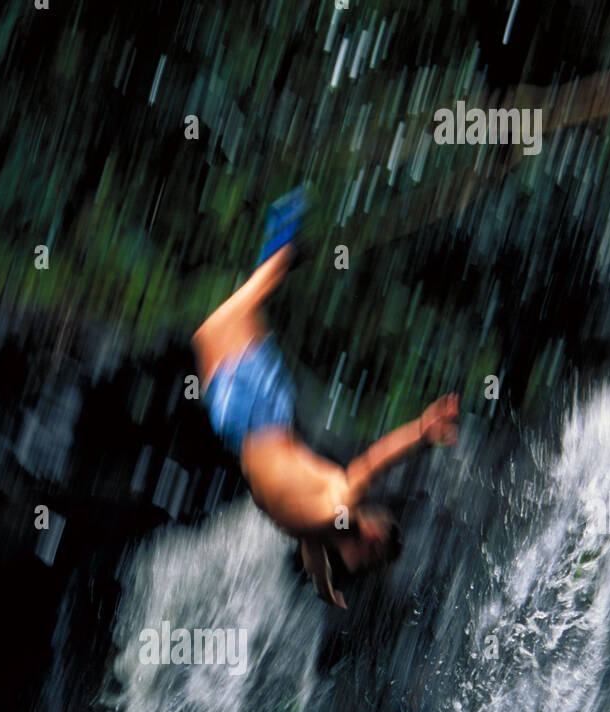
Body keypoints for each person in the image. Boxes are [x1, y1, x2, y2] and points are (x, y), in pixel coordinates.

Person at [192, 195, 458, 607]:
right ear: (371, 538)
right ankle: (283, 246)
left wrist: (323, 586)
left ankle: (280, 249)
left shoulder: (319, 529)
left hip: (240, 428)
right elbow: (373, 462)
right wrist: (422, 434)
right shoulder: (341, 504)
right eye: (369, 559)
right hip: (263, 415)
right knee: (214, 330)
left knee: (221, 329)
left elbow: (312, 552)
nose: (360, 564)